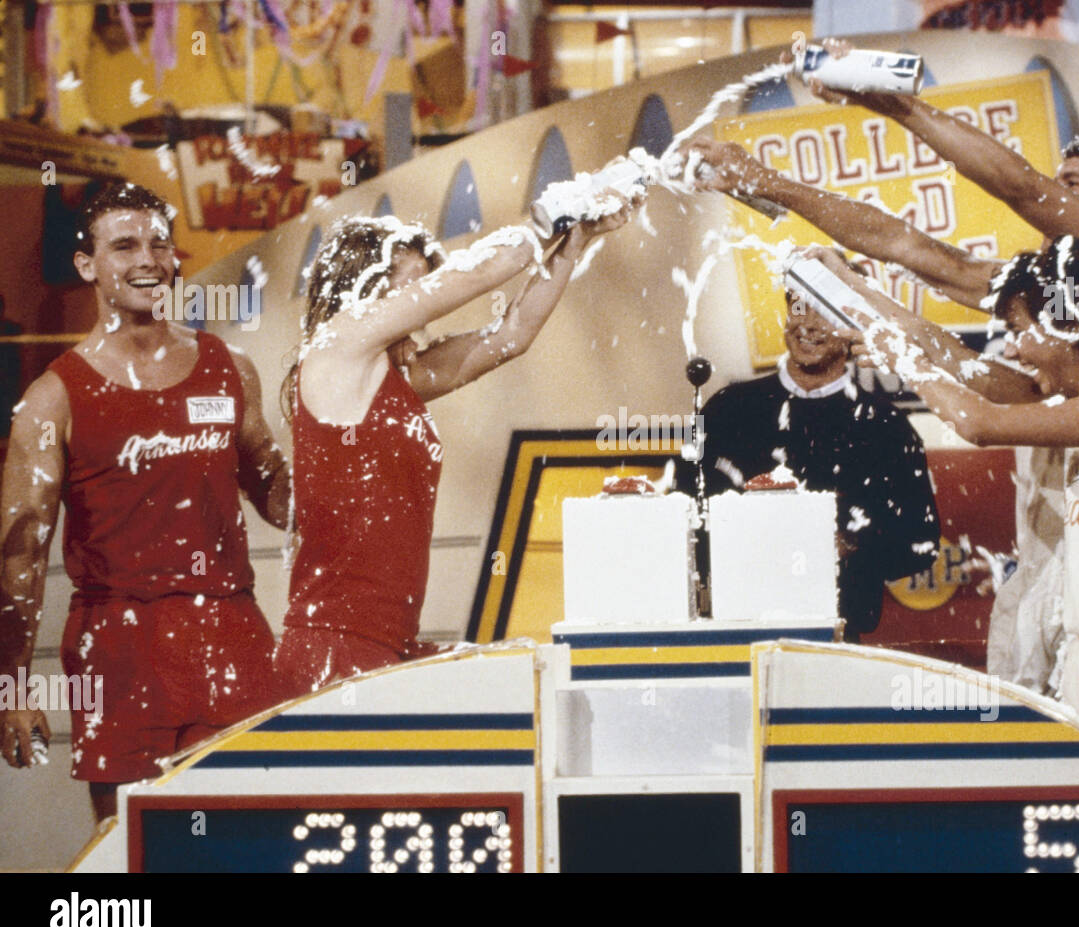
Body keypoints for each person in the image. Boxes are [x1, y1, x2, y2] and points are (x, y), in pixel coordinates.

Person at [686, 48, 1079, 688]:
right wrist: (770, 186)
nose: (1052, 200)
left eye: (1072, 188)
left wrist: (893, 103)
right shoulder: (1056, 306)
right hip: (1052, 579)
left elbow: (1019, 187)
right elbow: (908, 249)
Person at [847, 236, 1079, 776]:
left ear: (1069, 325)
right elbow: (961, 364)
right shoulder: (1077, 407)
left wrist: (903, 359)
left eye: (1021, 331)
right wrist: (855, 292)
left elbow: (980, 423)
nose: (1014, 349)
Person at [0, 182, 290, 820]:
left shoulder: (230, 368)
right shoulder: (53, 398)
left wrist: (341, 438)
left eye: (159, 244)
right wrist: (14, 685)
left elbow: (277, 495)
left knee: (252, 843)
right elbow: (21, 552)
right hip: (118, 647)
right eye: (125, 245)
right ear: (87, 266)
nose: (148, 261)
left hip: (230, 632)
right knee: (133, 851)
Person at [275, 201, 635, 692]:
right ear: (363, 288)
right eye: (413, 288)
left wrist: (575, 242)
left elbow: (511, 334)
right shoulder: (334, 349)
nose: (422, 307)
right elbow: (482, 272)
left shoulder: (395, 378)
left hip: (390, 641)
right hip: (335, 645)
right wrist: (561, 208)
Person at [689, 274, 940, 638]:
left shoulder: (885, 426)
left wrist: (851, 544)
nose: (807, 324)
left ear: (855, 324)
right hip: (733, 626)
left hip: (836, 635)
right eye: (799, 307)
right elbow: (685, 508)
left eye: (826, 311)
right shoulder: (727, 409)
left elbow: (922, 543)